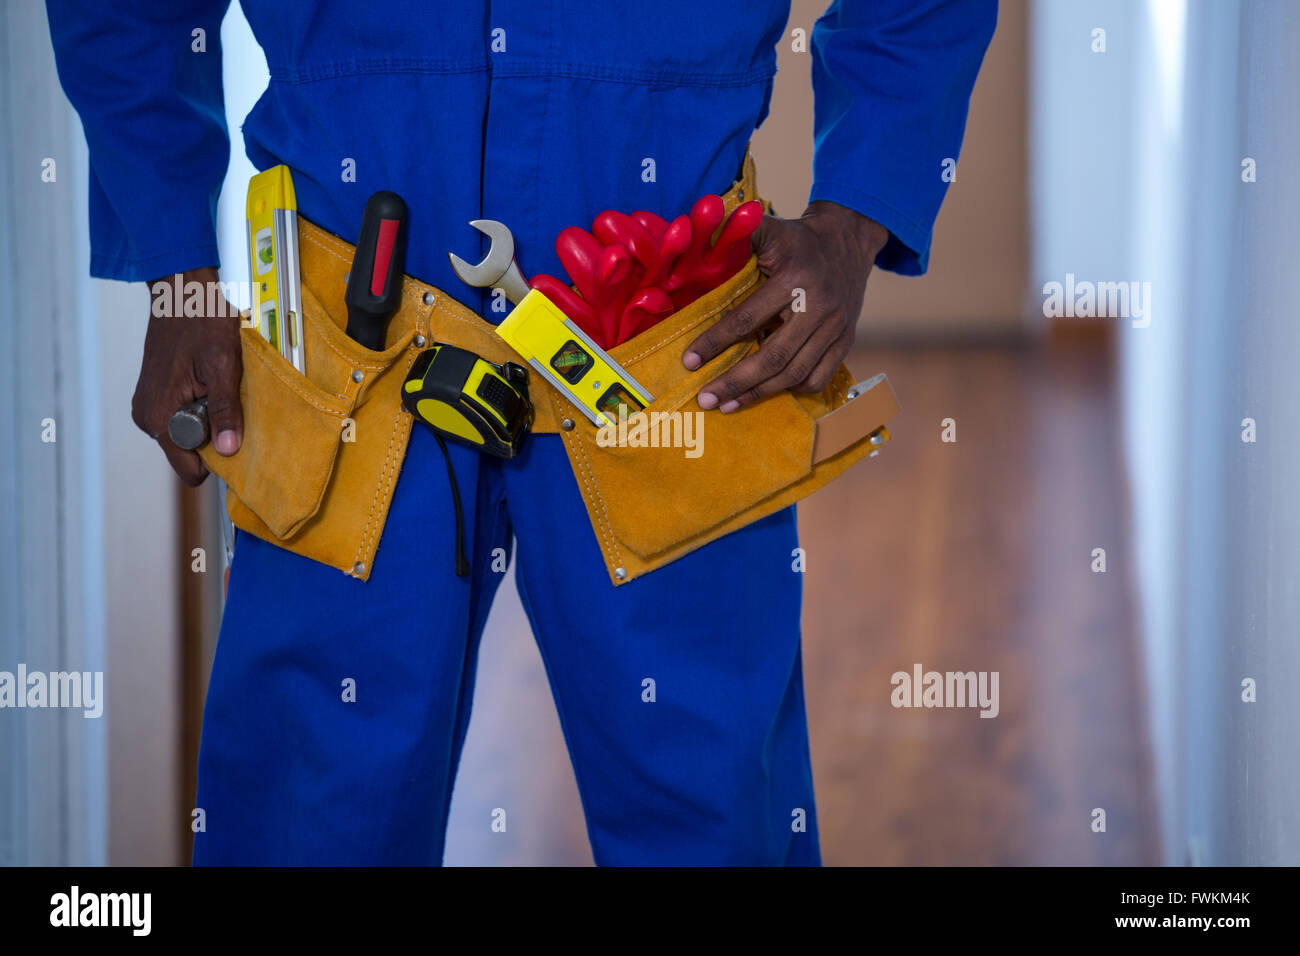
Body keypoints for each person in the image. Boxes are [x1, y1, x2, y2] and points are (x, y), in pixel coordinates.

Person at [46, 0, 996, 865]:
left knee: (706, 814)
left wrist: (856, 212)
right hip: (350, 357)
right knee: (311, 816)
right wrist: (175, 270)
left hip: (667, 342)